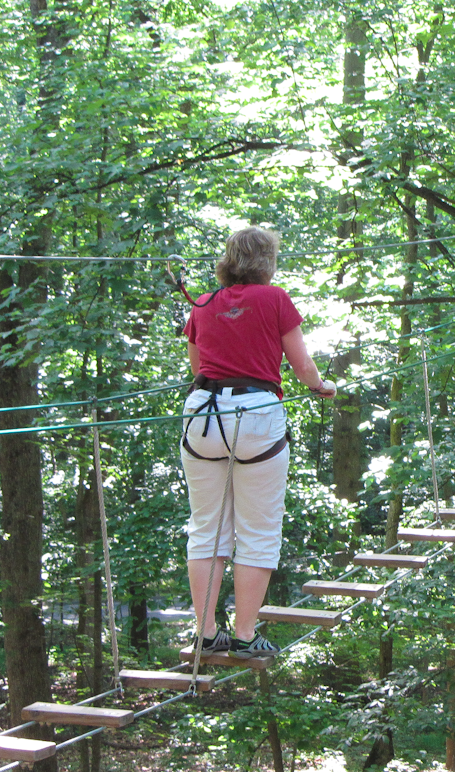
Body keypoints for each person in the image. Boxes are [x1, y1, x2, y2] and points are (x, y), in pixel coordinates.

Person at [180, 227, 337, 659]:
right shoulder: (275, 299)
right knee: (259, 530)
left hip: (204, 416)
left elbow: (197, 365)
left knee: (206, 530)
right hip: (257, 416)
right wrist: (321, 386)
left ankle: (207, 632)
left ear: (229, 259)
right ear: (267, 261)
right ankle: (246, 635)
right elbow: (300, 362)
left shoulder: (204, 302)